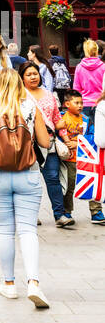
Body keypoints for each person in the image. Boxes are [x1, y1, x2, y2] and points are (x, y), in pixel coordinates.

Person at [0, 67, 52, 308]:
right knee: (28, 230)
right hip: (28, 174)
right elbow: (46, 142)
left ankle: (9, 285)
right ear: (19, 84)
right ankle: (34, 283)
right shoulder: (29, 106)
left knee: (5, 229)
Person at [21, 61, 71, 227]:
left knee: (53, 178)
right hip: (27, 144)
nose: (33, 77)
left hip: (49, 142)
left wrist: (65, 138)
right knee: (29, 181)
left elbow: (57, 118)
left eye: (35, 73)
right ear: (22, 78)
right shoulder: (19, 96)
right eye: (28, 74)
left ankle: (59, 215)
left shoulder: (49, 94)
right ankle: (30, 215)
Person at [56, 89, 103, 225]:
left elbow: (93, 136)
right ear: (67, 104)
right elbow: (57, 133)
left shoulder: (86, 119)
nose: (80, 105)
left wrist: (77, 143)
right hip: (69, 160)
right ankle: (67, 211)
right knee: (69, 186)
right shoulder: (61, 118)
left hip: (85, 158)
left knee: (91, 183)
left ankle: (96, 212)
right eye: (76, 103)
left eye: (81, 103)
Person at [73, 39, 105, 133]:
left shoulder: (79, 67)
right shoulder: (103, 66)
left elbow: (76, 89)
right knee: (102, 132)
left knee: (86, 132)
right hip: (101, 104)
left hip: (85, 104)